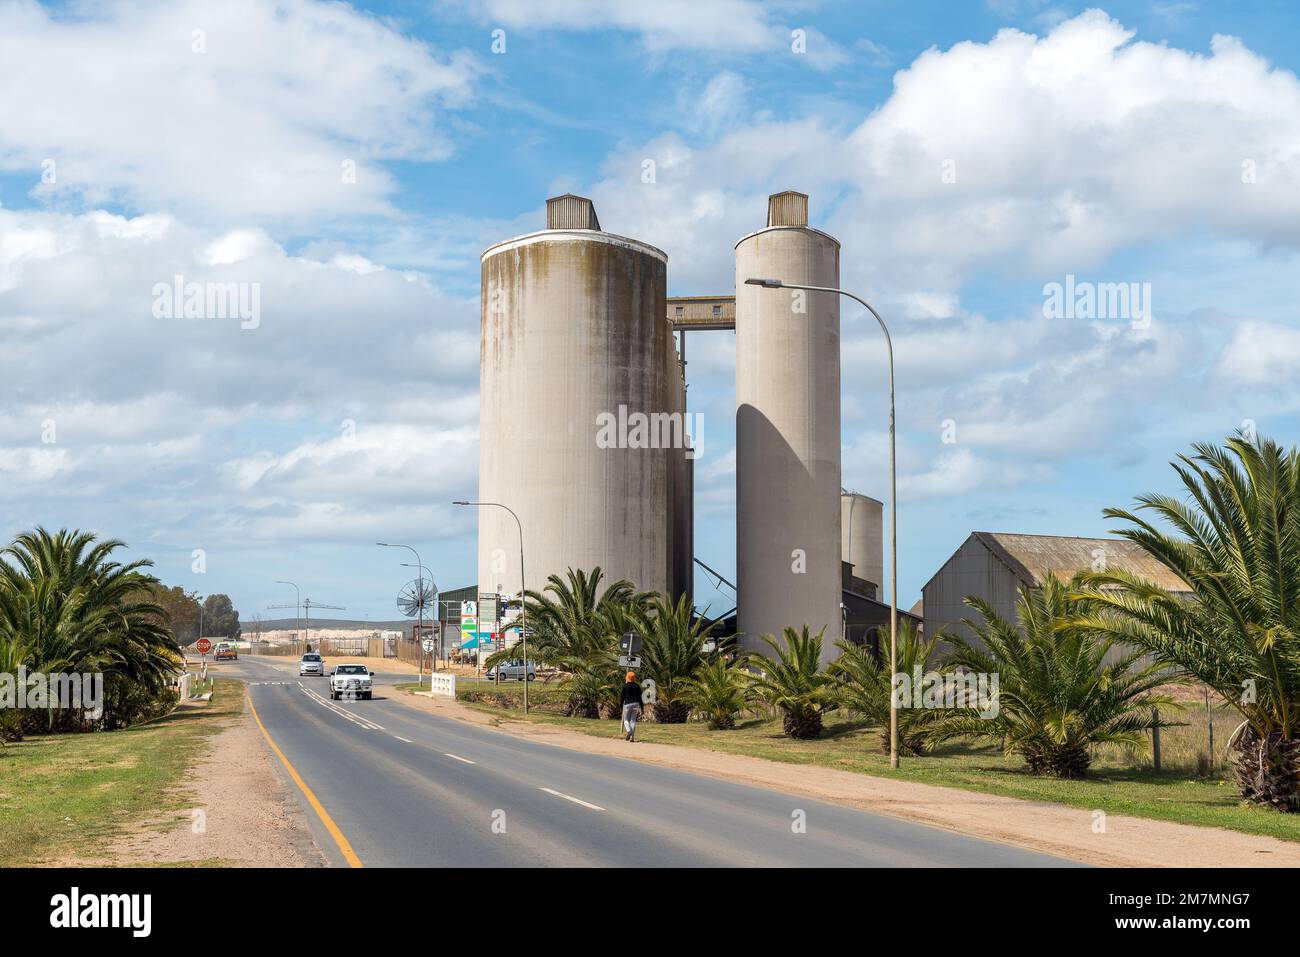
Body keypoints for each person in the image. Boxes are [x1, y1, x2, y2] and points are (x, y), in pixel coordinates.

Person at [620, 671, 643, 742]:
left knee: (626, 720)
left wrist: (621, 706)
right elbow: (640, 697)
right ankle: (632, 738)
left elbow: (622, 697)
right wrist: (642, 707)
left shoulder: (625, 686)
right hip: (636, 704)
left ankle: (628, 731)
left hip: (627, 704)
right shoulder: (637, 686)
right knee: (633, 721)